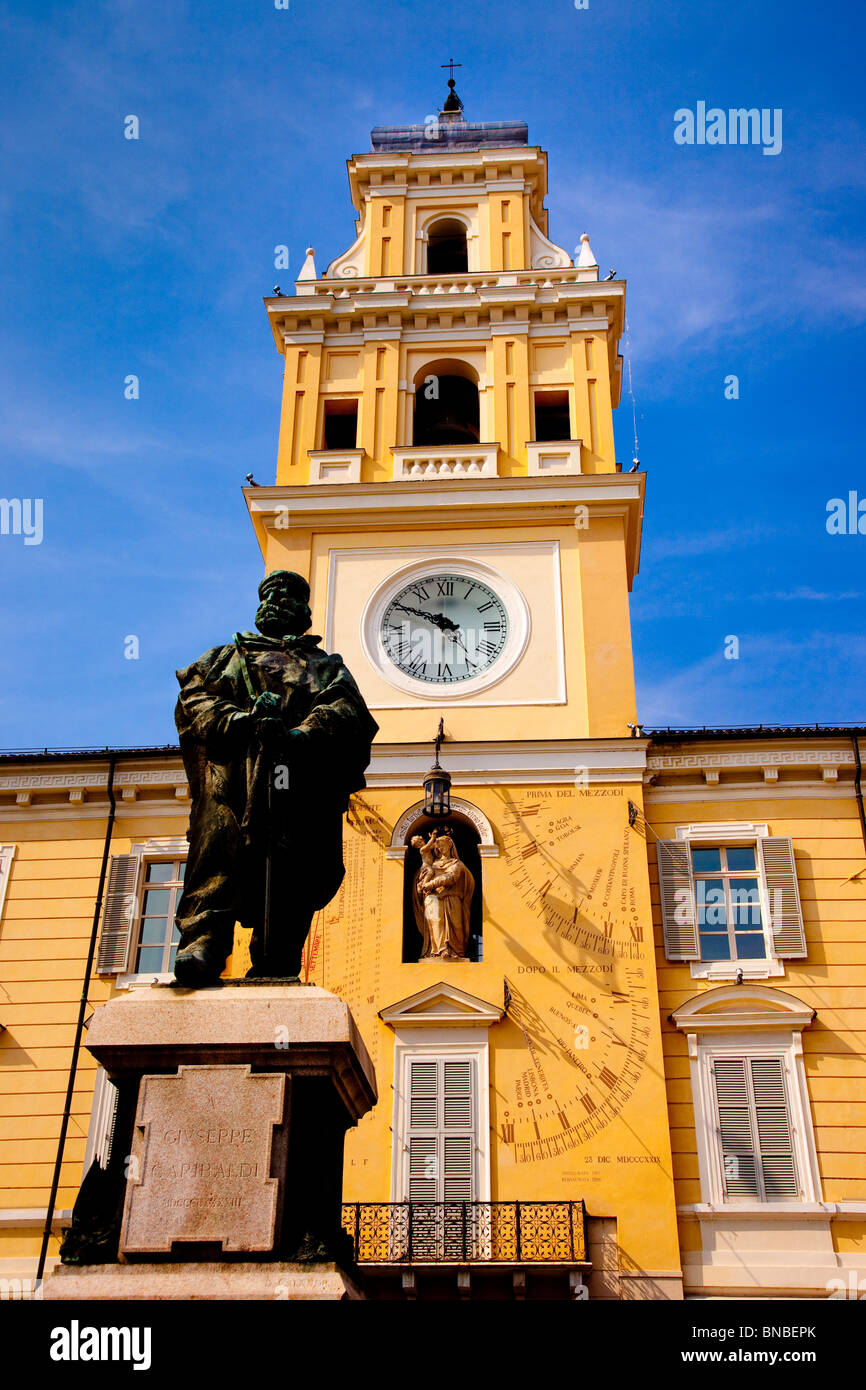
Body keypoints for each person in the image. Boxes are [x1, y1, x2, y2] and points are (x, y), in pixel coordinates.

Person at [172, 570, 378, 986]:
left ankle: (277, 953)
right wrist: (243, 721)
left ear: (305, 611)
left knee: (292, 861)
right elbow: (195, 700)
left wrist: (299, 733)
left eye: (289, 594)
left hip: (296, 778)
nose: (277, 599)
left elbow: (349, 713)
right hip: (232, 778)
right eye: (269, 593)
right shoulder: (222, 659)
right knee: (218, 852)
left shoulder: (326, 668)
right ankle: (204, 942)